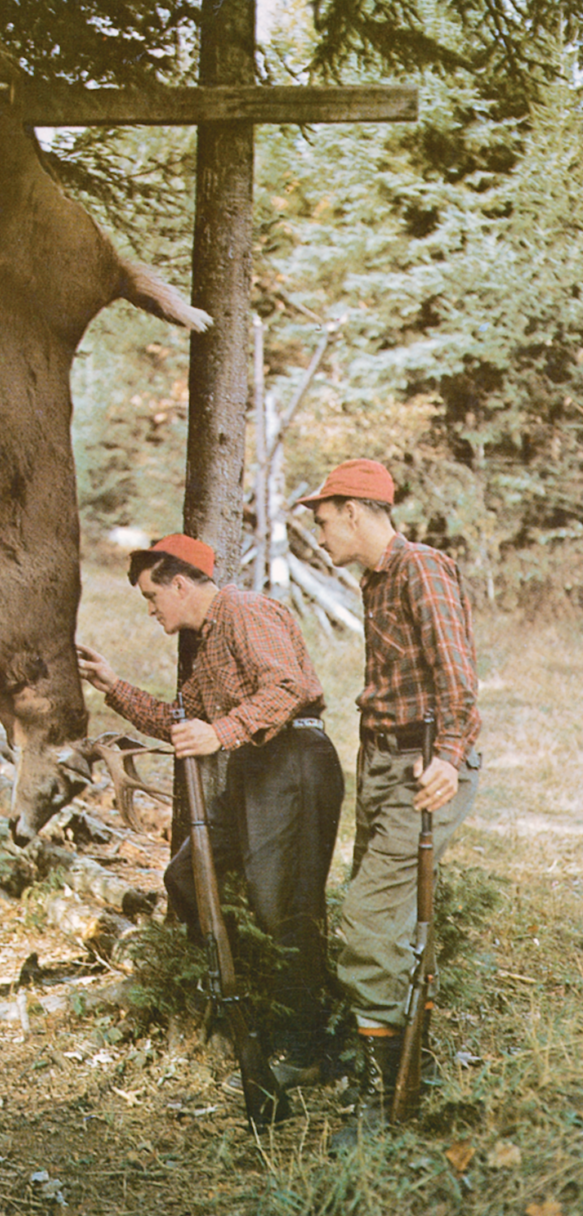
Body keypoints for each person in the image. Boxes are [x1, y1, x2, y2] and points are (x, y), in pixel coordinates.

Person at [78, 533, 344, 1086]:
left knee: (283, 910)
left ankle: (308, 1046)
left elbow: (286, 685)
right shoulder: (209, 642)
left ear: (180, 583)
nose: (150, 610)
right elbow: (180, 718)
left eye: (153, 596)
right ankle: (252, 1000)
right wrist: (113, 686)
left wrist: (220, 732)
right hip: (254, 768)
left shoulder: (246, 612)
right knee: (184, 877)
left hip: (294, 759)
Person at [296, 459, 481, 1139]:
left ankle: (382, 1099)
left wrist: (451, 759)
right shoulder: (375, 580)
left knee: (368, 919)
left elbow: (459, 678)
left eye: (323, 521)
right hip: (382, 762)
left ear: (354, 510)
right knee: (383, 912)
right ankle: (397, 1059)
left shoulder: (421, 567)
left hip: (424, 764)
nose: (320, 536)